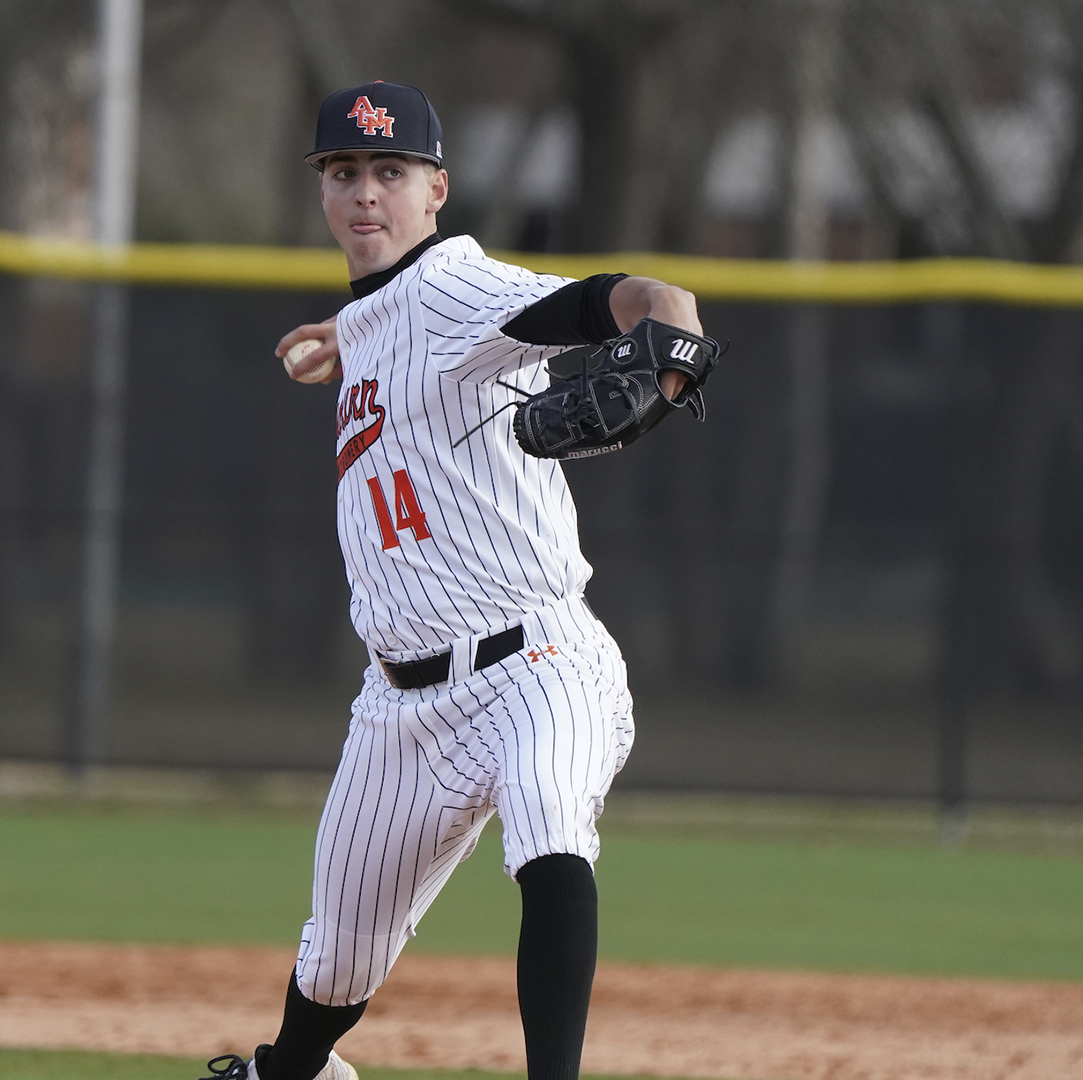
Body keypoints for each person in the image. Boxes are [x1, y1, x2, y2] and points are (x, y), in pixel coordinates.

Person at [203, 80, 706, 1080]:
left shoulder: (452, 288)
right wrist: (346, 336)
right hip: (400, 709)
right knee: (338, 959)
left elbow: (631, 300)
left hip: (538, 661)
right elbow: (396, 324)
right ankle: (290, 1073)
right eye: (344, 172)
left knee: (551, 836)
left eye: (392, 172)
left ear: (438, 191)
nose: (365, 194)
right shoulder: (385, 316)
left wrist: (673, 351)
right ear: (321, 192)